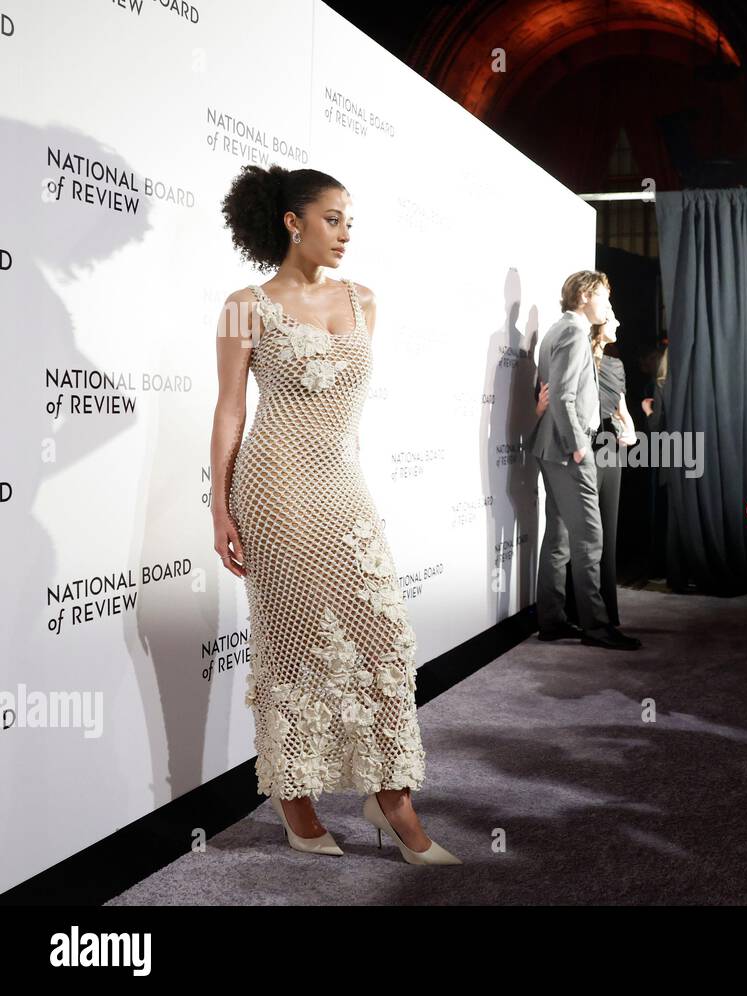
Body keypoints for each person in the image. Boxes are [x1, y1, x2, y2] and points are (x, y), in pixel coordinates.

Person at [210, 164, 458, 865]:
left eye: (350, 220)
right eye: (332, 218)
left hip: (341, 485)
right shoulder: (244, 304)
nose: (345, 233)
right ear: (293, 222)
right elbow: (231, 410)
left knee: (385, 638)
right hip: (273, 487)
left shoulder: (364, 300)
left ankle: (388, 797)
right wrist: (219, 508)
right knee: (289, 641)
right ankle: (297, 803)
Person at [530, 271, 640, 650]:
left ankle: (553, 620)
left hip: (552, 446)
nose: (609, 308)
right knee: (590, 537)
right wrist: (579, 446)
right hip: (567, 449)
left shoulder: (558, 330)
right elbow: (561, 396)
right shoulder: (575, 332)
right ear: (584, 296)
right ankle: (596, 627)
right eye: (605, 300)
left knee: (559, 537)